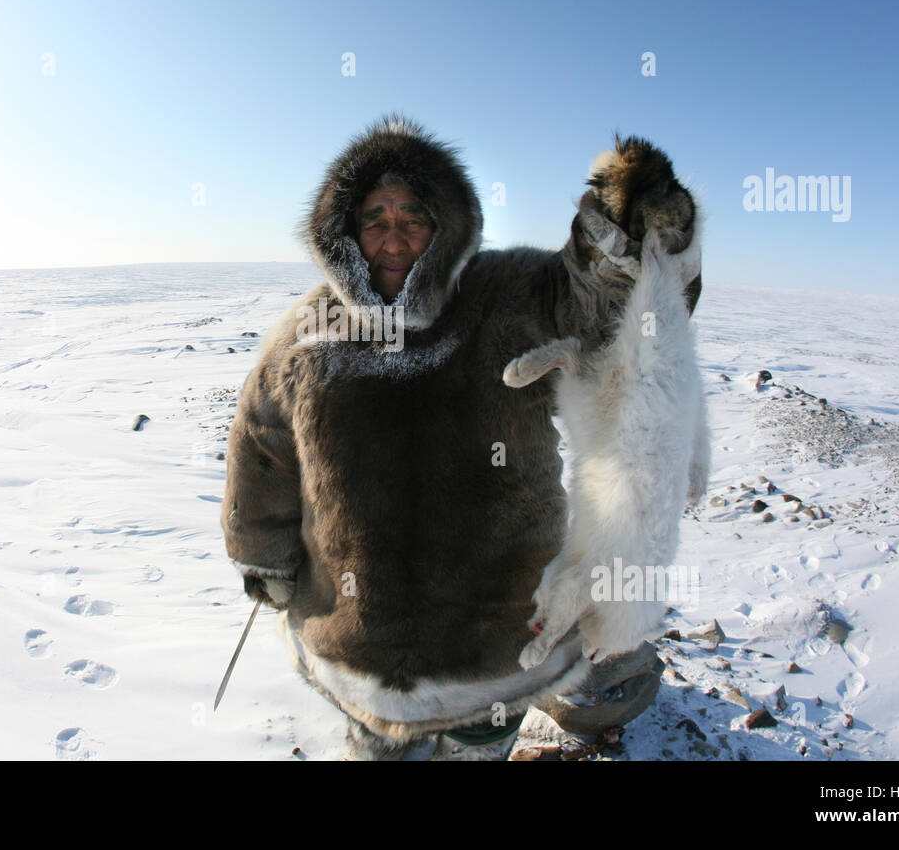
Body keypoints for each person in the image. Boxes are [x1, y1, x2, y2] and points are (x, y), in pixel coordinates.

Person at [221, 115, 701, 759]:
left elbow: (601, 313)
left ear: (446, 226)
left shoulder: (503, 298)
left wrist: (623, 231)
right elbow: (261, 448)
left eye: (413, 216)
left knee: (479, 747)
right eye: (374, 218)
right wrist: (264, 556)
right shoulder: (306, 335)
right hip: (356, 644)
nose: (393, 237)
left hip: (496, 646)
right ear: (343, 235)